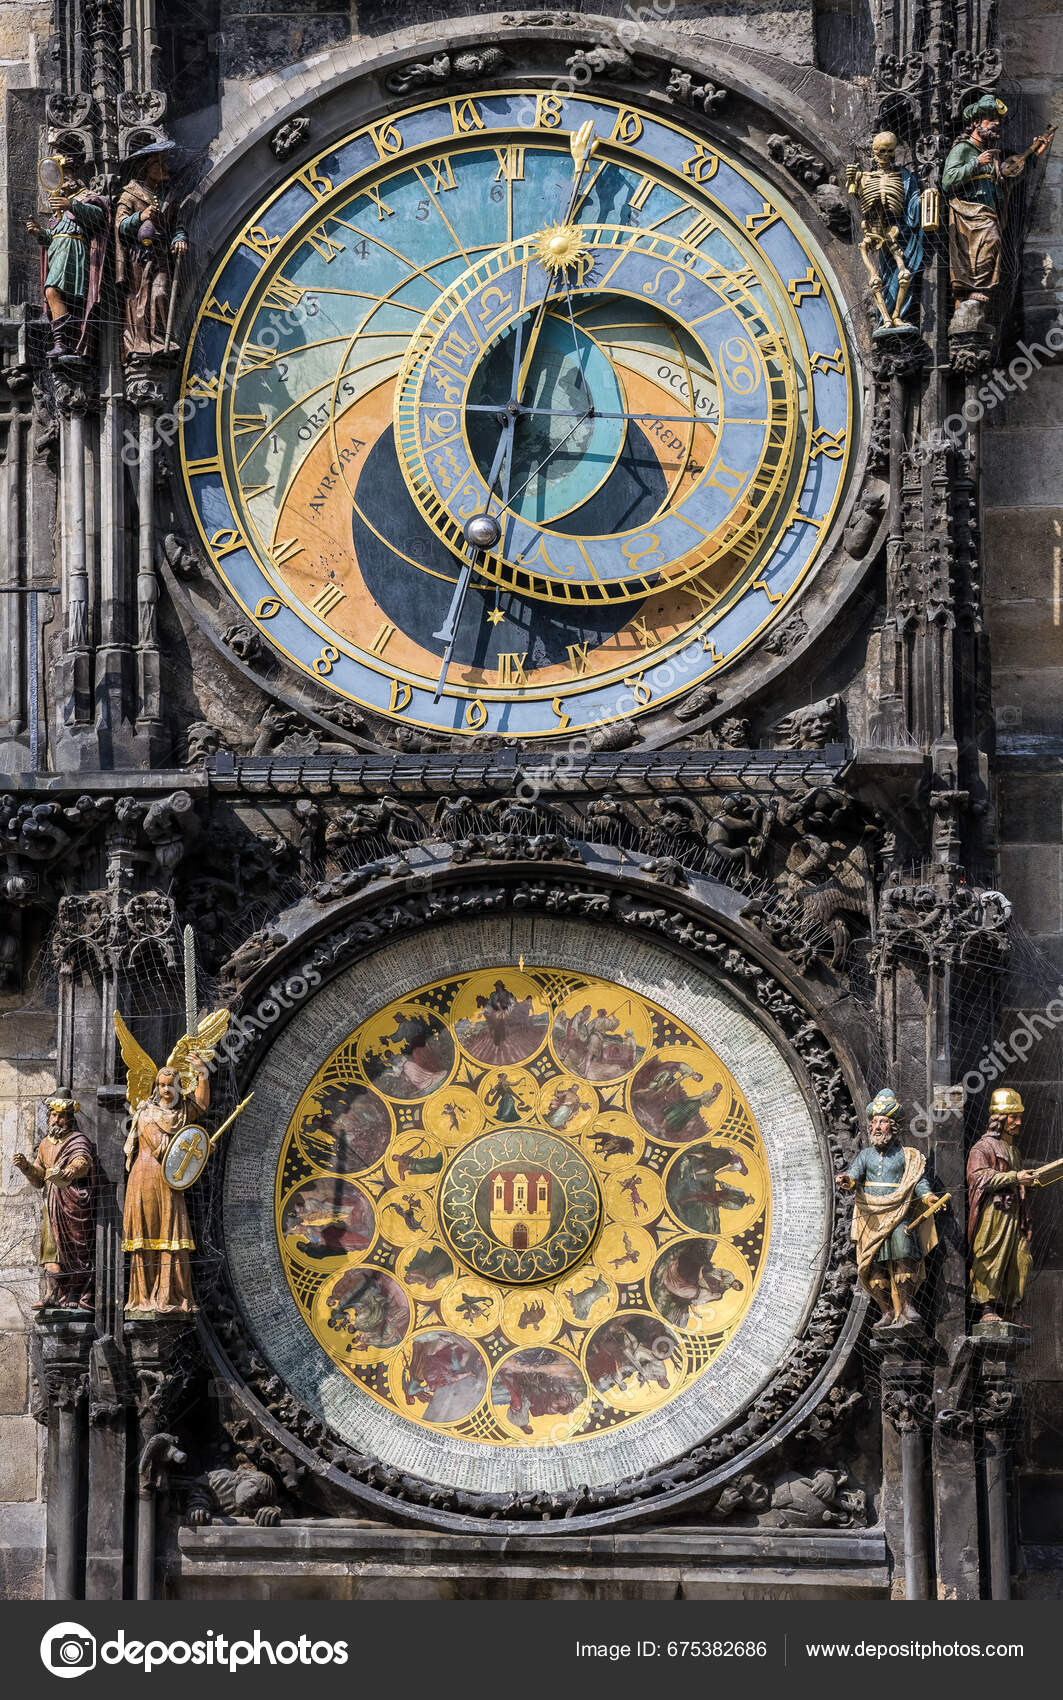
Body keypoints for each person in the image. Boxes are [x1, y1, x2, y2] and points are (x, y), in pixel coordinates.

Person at [835, 1088, 939, 1329]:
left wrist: (928, 1196)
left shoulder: (907, 1156)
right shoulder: (866, 1155)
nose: (877, 1127)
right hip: (871, 1215)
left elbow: (917, 1180)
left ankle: (906, 1306)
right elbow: (853, 1175)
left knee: (904, 1253)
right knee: (873, 1263)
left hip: (899, 1212)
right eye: (874, 1122)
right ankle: (887, 1310)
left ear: (893, 1126)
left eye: (883, 1122)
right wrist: (847, 1180)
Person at [943, 95, 1052, 317]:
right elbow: (948, 180)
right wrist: (976, 162)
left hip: (988, 212)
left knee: (990, 243)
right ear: (975, 123)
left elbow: (1006, 179)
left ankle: (975, 293)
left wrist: (1033, 155)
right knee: (988, 241)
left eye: (997, 119)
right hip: (969, 213)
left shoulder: (991, 156)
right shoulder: (963, 149)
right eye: (991, 119)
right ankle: (970, 293)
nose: (996, 123)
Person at [122, 1052, 208, 1314]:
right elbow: (165, 1150)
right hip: (147, 1177)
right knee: (147, 1236)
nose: (166, 1090)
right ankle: (145, 1298)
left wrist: (203, 1072)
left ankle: (171, 1295)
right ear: (155, 1088)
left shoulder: (181, 1113)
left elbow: (201, 1105)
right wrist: (202, 1151)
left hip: (170, 1182)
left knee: (172, 1236)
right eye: (161, 1085)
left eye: (171, 1085)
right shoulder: (147, 1114)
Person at [13, 1092, 96, 1311]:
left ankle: (74, 1292)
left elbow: (83, 1161)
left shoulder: (77, 1140)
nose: (56, 1120)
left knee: (76, 1250)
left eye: (61, 1116)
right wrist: (26, 1168)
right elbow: (39, 1179)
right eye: (53, 1115)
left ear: (70, 1118)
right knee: (51, 1250)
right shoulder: (44, 1145)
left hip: (72, 1203)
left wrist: (71, 1170)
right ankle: (52, 1294)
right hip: (51, 1204)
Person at [966, 1087, 1040, 1325]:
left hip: (1015, 1215)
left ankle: (1010, 1307)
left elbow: (1017, 1178)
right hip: (994, 1215)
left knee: (1020, 1260)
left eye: (1019, 1116)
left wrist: (1030, 1182)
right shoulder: (983, 1148)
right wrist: (1015, 1177)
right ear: (999, 1119)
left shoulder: (1014, 1151)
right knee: (991, 1256)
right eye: (1013, 1117)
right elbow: (978, 1177)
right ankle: (987, 1307)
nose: (1018, 1122)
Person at [26, 155, 109, 364]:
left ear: (73, 176)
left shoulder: (86, 198)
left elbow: (98, 217)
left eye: (65, 175)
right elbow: (53, 236)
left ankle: (62, 342)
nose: (63, 181)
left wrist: (71, 205)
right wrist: (39, 232)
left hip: (74, 251)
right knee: (57, 296)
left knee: (53, 291)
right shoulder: (58, 211)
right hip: (58, 251)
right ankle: (64, 342)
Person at [115, 143, 189, 366]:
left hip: (162, 255)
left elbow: (178, 225)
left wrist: (179, 239)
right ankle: (142, 343)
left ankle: (161, 340)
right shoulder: (130, 194)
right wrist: (140, 217)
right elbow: (120, 225)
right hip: (139, 258)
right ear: (146, 168)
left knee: (160, 293)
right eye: (159, 163)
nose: (165, 167)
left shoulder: (169, 196)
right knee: (142, 298)